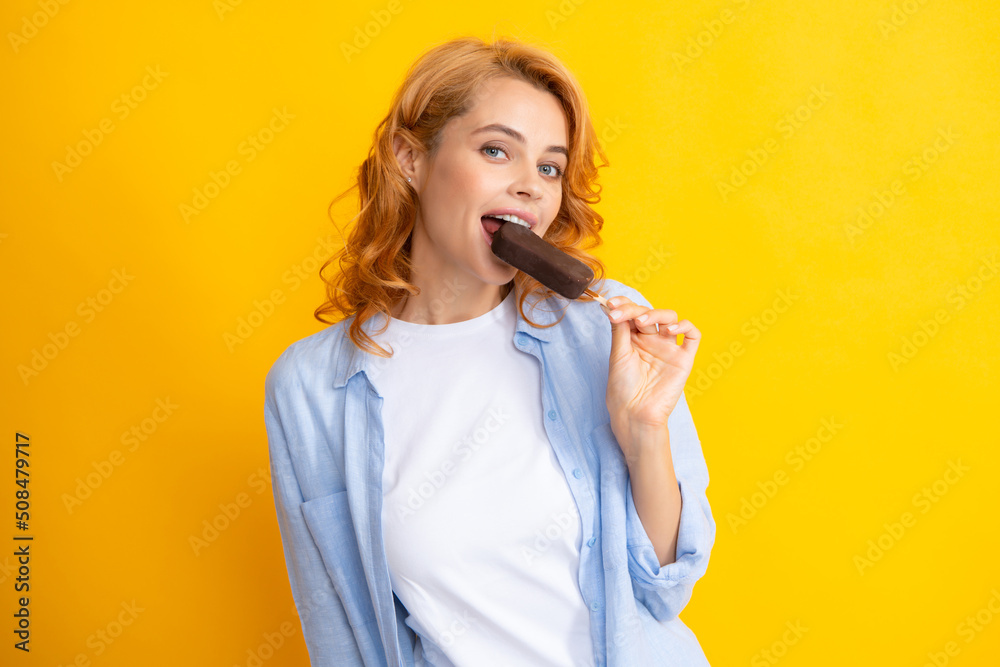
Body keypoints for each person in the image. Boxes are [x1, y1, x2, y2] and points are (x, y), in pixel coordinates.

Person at [264, 35, 715, 667]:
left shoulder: (598, 330)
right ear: (409, 159)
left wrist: (644, 430)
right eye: (497, 150)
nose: (530, 186)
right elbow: (341, 633)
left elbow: (665, 588)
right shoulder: (311, 388)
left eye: (550, 167)